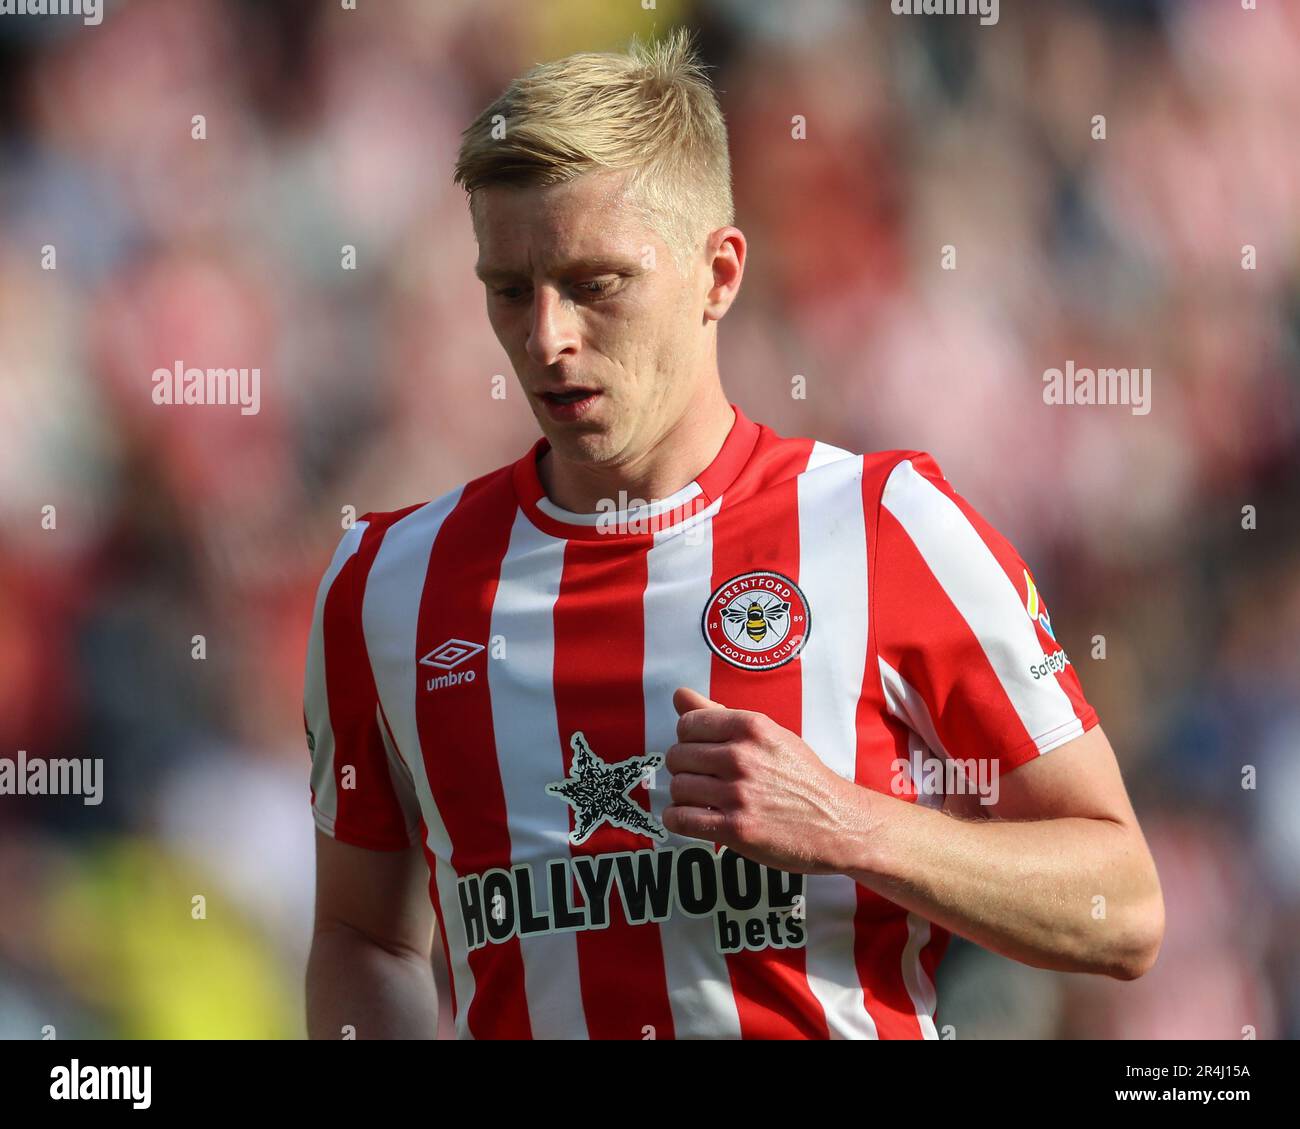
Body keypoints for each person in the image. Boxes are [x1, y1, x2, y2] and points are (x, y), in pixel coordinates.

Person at [303, 28, 1163, 1040]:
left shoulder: (888, 528)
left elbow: (1126, 907)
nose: (547, 337)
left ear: (718, 274)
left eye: (594, 283)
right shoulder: (388, 586)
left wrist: (853, 828)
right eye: (509, 288)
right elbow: (365, 936)